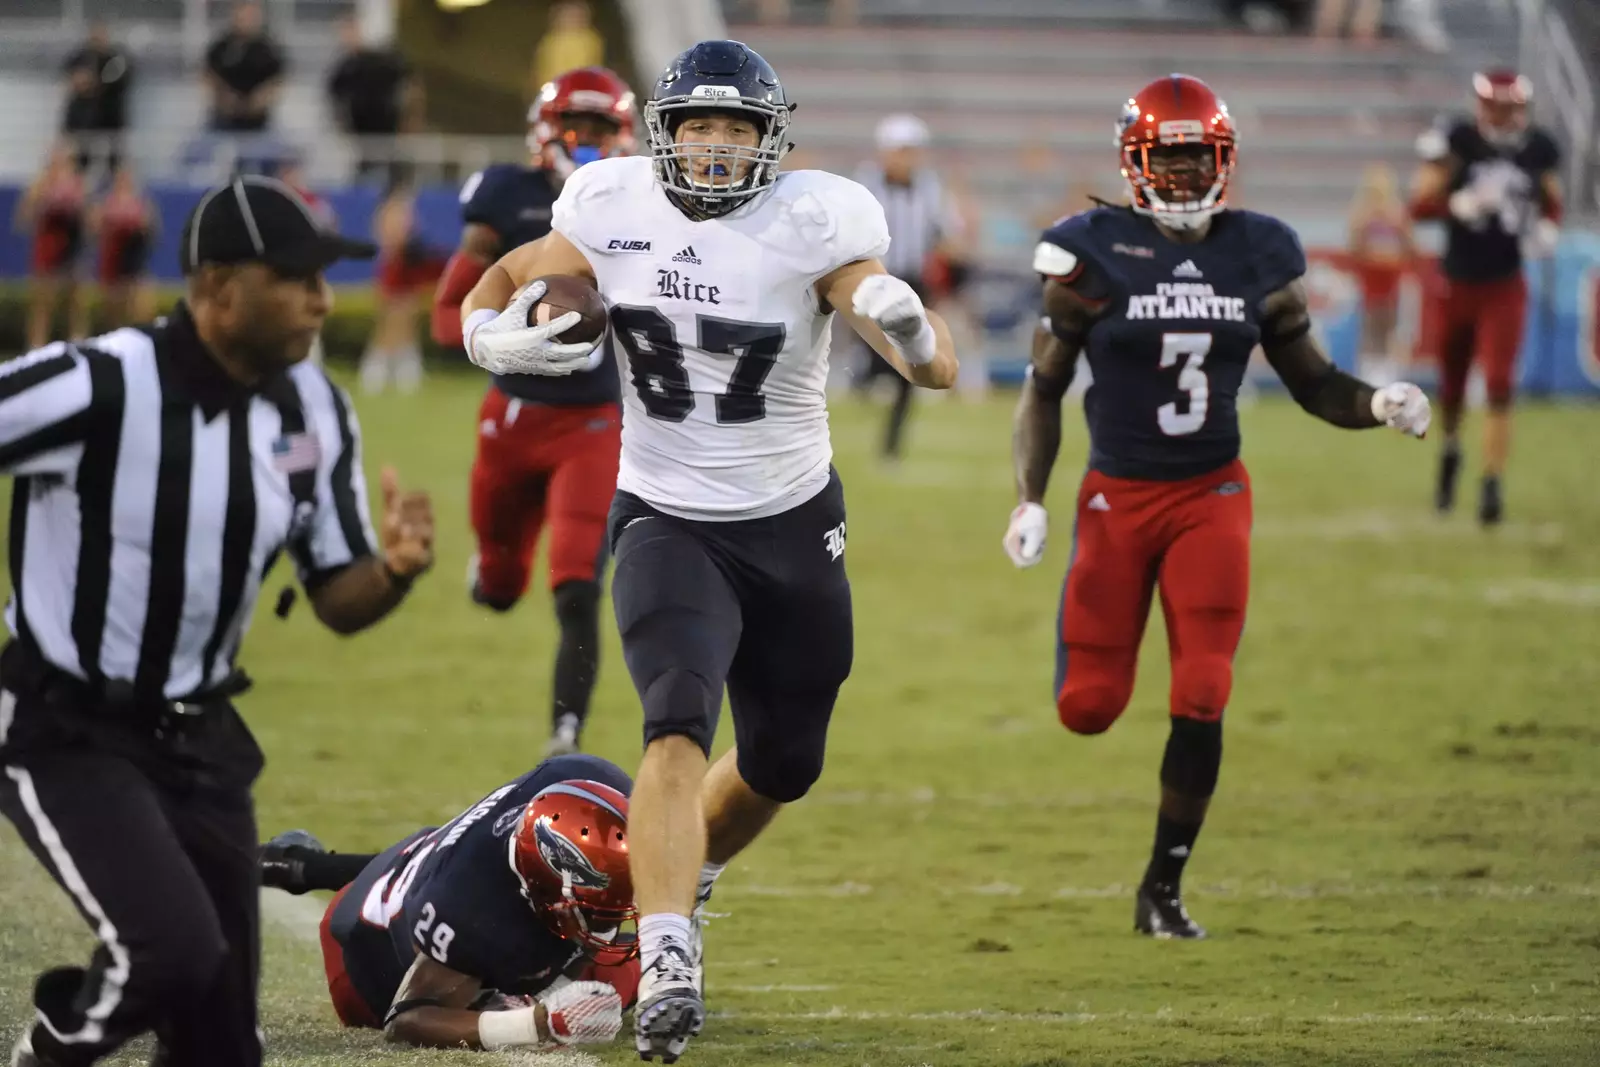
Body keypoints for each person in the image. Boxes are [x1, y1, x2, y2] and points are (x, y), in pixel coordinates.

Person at [459, 39, 958, 1061]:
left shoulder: (817, 219)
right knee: (675, 719)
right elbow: (511, 272)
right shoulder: (609, 203)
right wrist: (484, 332)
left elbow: (929, 361)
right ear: (664, 133)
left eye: (737, 129)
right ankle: (667, 946)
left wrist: (910, 335)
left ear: (770, 140)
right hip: (665, 512)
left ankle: (684, 872)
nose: (719, 148)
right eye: (700, 127)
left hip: (788, 519)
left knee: (785, 759)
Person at [1, 175, 435, 1067]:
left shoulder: (311, 409)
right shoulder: (102, 381)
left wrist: (390, 573)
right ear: (217, 287)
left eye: (325, 277)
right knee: (168, 950)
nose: (322, 299)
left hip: (200, 742)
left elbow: (337, 596)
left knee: (223, 1047)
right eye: (296, 278)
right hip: (67, 723)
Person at [1002, 74, 1430, 941]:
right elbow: (1045, 387)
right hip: (1115, 496)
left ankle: (1162, 885)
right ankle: (1086, 642)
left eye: (1203, 161)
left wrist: (1378, 402)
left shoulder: (1258, 252)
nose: (1190, 177)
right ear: (1136, 161)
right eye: (1173, 160)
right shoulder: (1086, 256)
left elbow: (1313, 382)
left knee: (1203, 688)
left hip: (1212, 493)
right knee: (1087, 706)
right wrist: (1030, 499)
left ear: (1225, 162)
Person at [431, 66, 634, 757]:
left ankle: (564, 732)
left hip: (593, 421)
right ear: (546, 131)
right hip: (514, 417)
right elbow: (444, 312)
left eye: (601, 131)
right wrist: (493, 333)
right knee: (500, 582)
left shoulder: (639, 205)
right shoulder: (505, 197)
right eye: (576, 129)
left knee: (579, 581)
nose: (585, 143)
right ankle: (491, 572)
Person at [259, 756, 638, 1053]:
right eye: (600, 903)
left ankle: (298, 866)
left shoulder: (593, 781)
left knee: (634, 970)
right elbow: (406, 1021)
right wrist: (537, 1024)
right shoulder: (469, 914)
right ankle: (288, 865)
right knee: (604, 986)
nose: (618, 910)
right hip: (363, 959)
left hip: (430, 863)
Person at [1409, 69, 1562, 525]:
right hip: (1457, 280)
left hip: (1505, 281)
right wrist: (1454, 207)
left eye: (1510, 107)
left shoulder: (1539, 148)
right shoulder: (1455, 140)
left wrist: (1550, 226)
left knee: (1499, 384)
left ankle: (1492, 483)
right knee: (1452, 386)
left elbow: (1551, 200)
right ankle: (1451, 453)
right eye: (1496, 106)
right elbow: (1417, 206)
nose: (1503, 115)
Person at [852, 114, 966, 459]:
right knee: (872, 361)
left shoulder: (929, 188)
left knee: (908, 364)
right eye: (902, 150)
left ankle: (891, 445)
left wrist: (950, 268)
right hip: (870, 278)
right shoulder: (864, 185)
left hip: (912, 282)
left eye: (912, 151)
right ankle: (864, 380)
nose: (907, 158)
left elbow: (947, 235)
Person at [364, 175, 445, 394]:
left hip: (407, 269)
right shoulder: (390, 211)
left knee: (407, 323)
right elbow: (391, 241)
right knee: (391, 324)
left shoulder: (405, 210)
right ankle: (376, 375)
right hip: (395, 269)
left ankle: (405, 374)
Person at [15, 141, 90, 350]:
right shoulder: (40, 185)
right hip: (47, 246)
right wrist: (38, 199)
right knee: (42, 301)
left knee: (75, 298)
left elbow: (89, 220)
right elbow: (23, 219)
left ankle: (78, 341)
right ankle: (36, 345)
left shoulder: (77, 185)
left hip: (70, 245)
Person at [1346, 162, 1415, 384]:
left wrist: (1398, 229)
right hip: (1370, 287)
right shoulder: (1361, 215)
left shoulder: (1398, 215)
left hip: (1392, 286)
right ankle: (1370, 380)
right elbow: (1354, 249)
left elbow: (1411, 249)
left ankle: (1391, 379)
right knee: (1370, 335)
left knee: (1393, 334)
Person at [90, 164, 158, 331]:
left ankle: (138, 332)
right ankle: (116, 332)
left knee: (140, 299)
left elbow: (152, 231)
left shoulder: (141, 203)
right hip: (113, 258)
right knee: (113, 304)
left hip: (134, 257)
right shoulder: (106, 203)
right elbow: (94, 229)